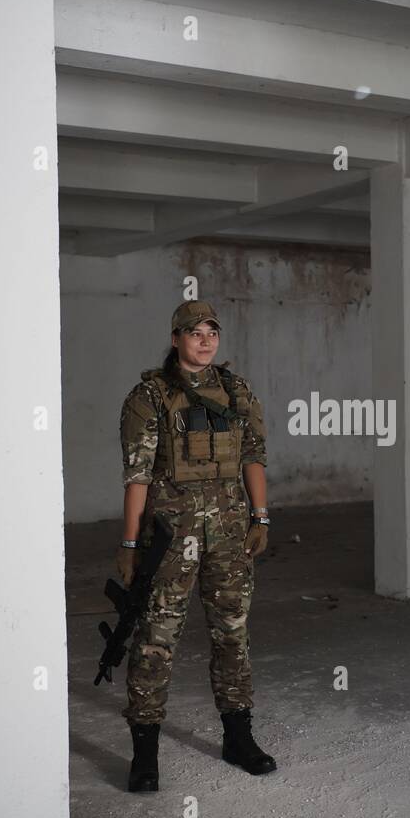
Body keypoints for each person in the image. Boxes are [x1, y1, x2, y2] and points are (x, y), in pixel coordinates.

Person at [116, 299, 276, 792]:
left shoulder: (235, 390)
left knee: (233, 634)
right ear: (175, 338)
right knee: (155, 642)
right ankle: (145, 755)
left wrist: (261, 514)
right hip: (170, 537)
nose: (205, 341)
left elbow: (253, 454)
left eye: (212, 332)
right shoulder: (149, 396)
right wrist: (128, 542)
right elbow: (138, 475)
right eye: (195, 332)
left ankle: (238, 738)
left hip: (228, 534)